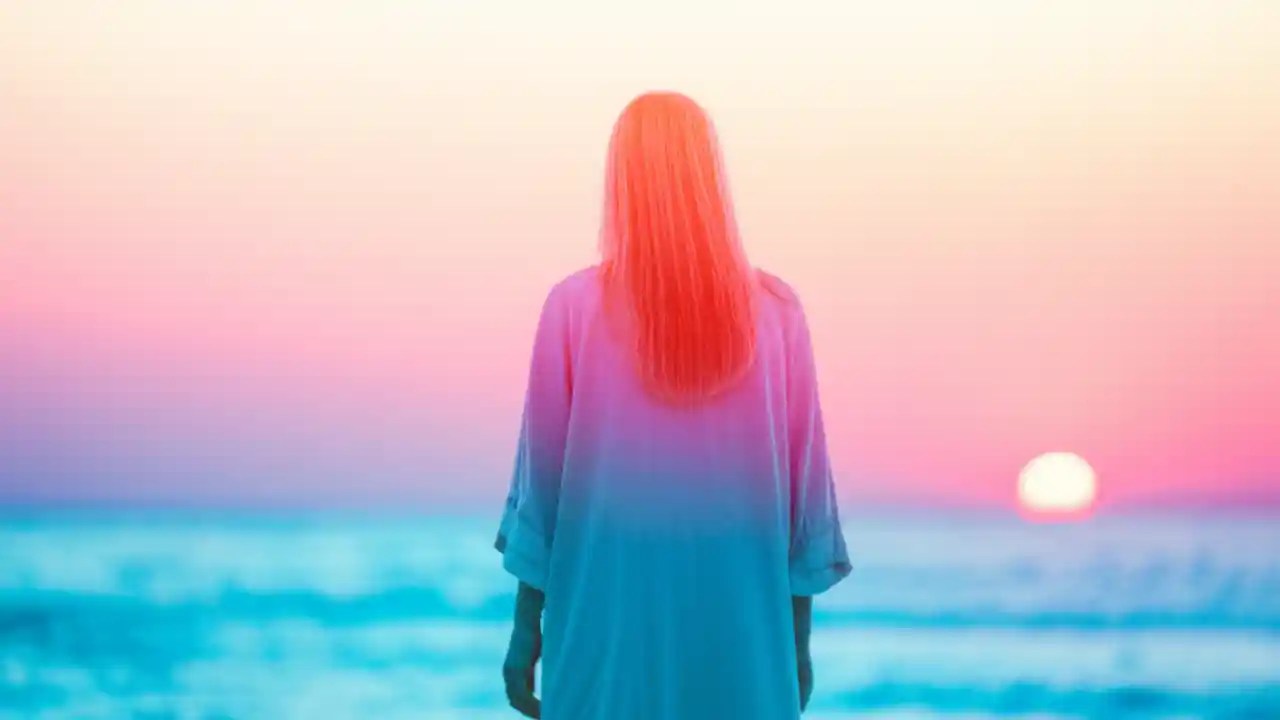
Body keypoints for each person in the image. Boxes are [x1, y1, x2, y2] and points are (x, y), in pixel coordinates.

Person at [494, 90, 851, 719]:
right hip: (743, 640)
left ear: (621, 180)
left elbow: (541, 499)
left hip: (603, 637)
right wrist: (796, 645)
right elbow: (805, 506)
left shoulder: (573, 308)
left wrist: (527, 634)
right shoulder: (776, 313)